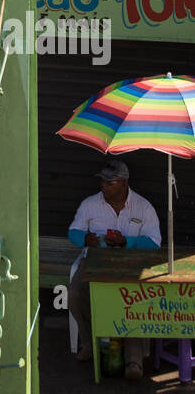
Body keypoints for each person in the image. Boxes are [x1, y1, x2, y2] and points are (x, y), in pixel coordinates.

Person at [68, 159, 161, 381]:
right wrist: (85, 238)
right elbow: (73, 232)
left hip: (130, 265)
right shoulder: (90, 204)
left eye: (110, 182)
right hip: (95, 262)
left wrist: (125, 242)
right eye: (102, 181)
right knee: (75, 294)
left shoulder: (143, 207)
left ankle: (134, 360)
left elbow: (154, 243)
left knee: (133, 300)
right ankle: (90, 344)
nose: (104, 186)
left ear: (124, 183)